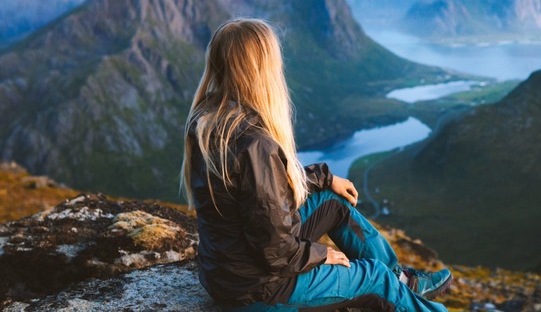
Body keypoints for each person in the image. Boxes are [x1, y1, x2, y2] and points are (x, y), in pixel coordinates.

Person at [180, 18, 451, 311]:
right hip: (261, 289)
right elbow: (274, 251)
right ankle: (394, 285)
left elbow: (261, 193)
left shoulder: (208, 120)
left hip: (229, 274)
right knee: (374, 278)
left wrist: (323, 178)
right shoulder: (255, 144)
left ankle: (401, 281)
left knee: (333, 201)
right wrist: (321, 255)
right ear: (261, 72)